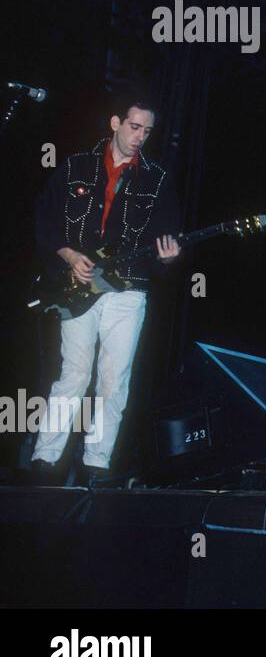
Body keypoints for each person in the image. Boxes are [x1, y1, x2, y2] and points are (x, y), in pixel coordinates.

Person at [29, 95, 182, 484]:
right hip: (77, 286)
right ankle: (44, 461)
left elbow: (166, 240)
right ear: (115, 122)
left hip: (127, 289)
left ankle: (96, 465)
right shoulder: (76, 166)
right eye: (134, 127)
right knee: (74, 373)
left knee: (114, 378)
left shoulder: (157, 178)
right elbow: (44, 218)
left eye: (147, 131)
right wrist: (68, 255)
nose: (140, 137)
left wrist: (168, 257)